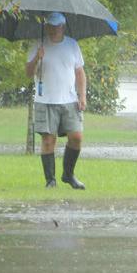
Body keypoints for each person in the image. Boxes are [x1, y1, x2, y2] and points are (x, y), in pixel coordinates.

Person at [25, 12, 87, 189]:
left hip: (69, 99)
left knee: (76, 137)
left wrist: (82, 95)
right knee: (48, 140)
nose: (53, 30)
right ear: (46, 26)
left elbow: (80, 73)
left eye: (57, 26)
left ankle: (68, 175)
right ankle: (50, 180)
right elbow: (29, 73)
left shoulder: (72, 45)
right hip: (45, 100)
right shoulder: (38, 44)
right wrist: (37, 57)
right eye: (50, 26)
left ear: (63, 27)